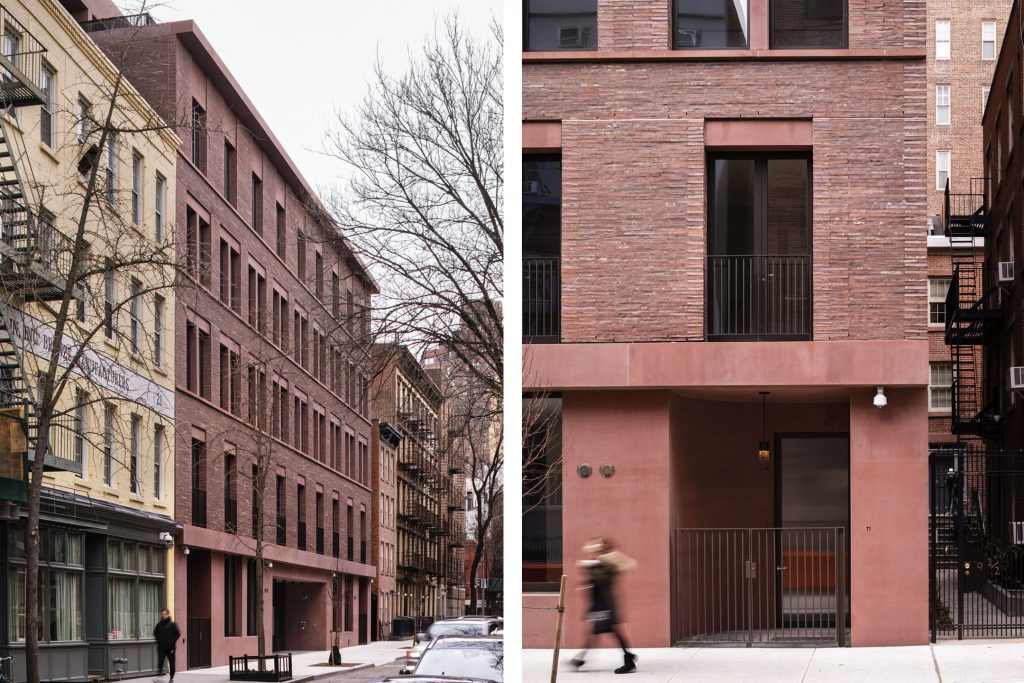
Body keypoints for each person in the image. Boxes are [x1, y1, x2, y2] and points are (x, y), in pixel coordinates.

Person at [569, 538, 638, 674]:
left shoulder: (608, 564)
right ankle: (628, 658)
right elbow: (595, 579)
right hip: (599, 604)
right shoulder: (599, 563)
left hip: (605, 604)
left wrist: (589, 567)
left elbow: (602, 579)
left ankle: (629, 660)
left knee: (604, 632)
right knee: (598, 632)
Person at [154, 609, 181, 682]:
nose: (163, 616)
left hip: (170, 648)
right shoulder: (159, 625)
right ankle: (159, 676)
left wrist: (171, 642)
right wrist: (159, 641)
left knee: (172, 663)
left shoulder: (172, 624)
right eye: (162, 614)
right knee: (160, 661)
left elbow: (178, 634)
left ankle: (171, 678)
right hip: (161, 648)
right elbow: (155, 633)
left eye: (164, 614)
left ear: (168, 614)